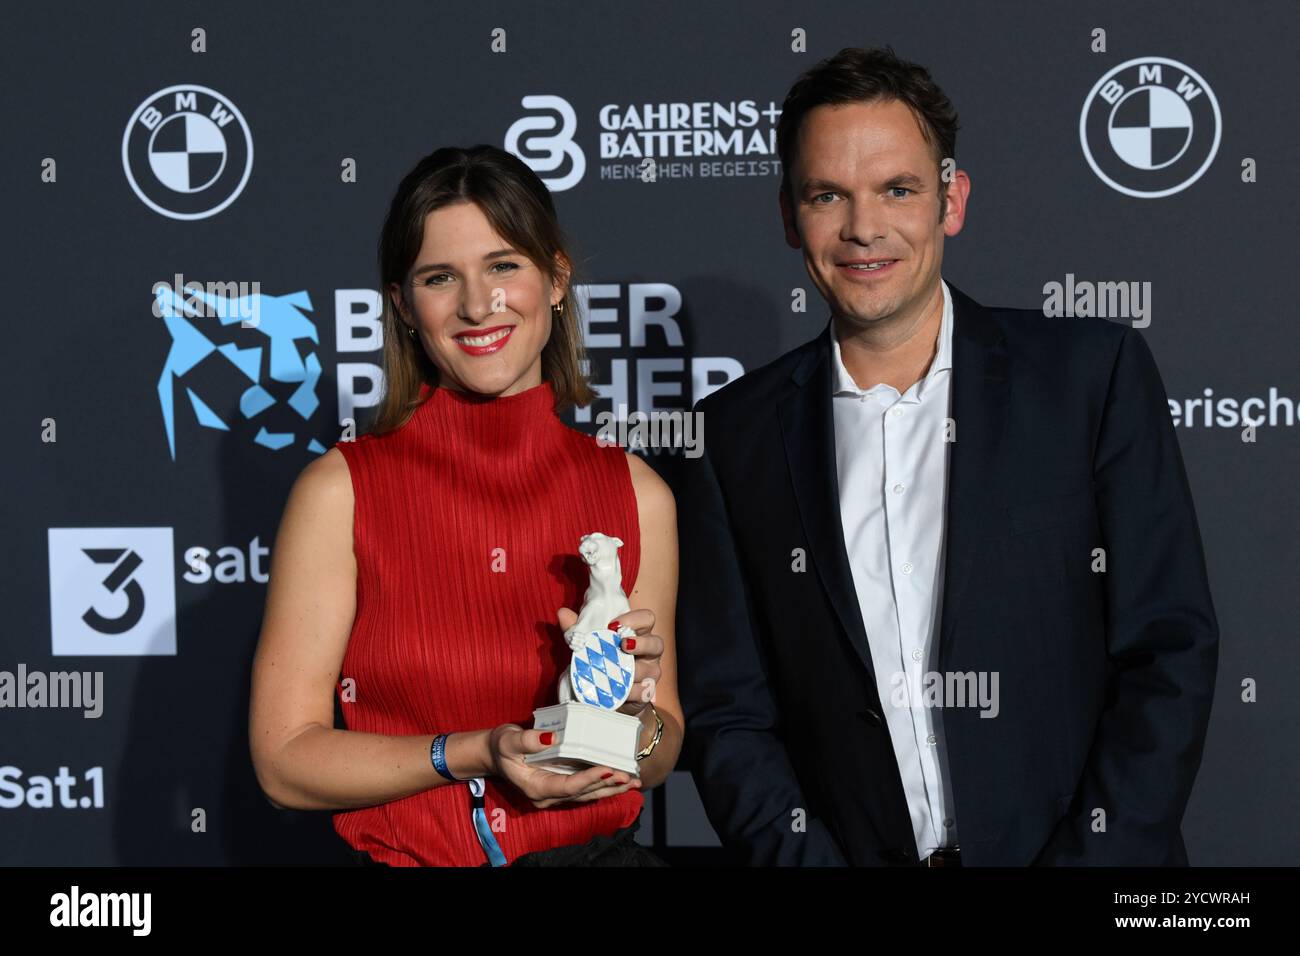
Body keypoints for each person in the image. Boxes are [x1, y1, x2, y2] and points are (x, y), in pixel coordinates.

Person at [676, 47, 1218, 866]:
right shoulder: (730, 439)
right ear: (789, 216)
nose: (865, 228)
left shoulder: (1088, 378)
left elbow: (1167, 651)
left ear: (951, 201)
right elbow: (729, 714)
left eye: (898, 189)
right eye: (829, 195)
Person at [249, 145, 681, 866]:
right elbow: (283, 762)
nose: (478, 305)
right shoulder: (339, 491)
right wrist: (475, 752)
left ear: (555, 278)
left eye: (504, 265)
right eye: (440, 277)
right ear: (403, 307)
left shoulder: (636, 492)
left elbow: (662, 746)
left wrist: (632, 723)